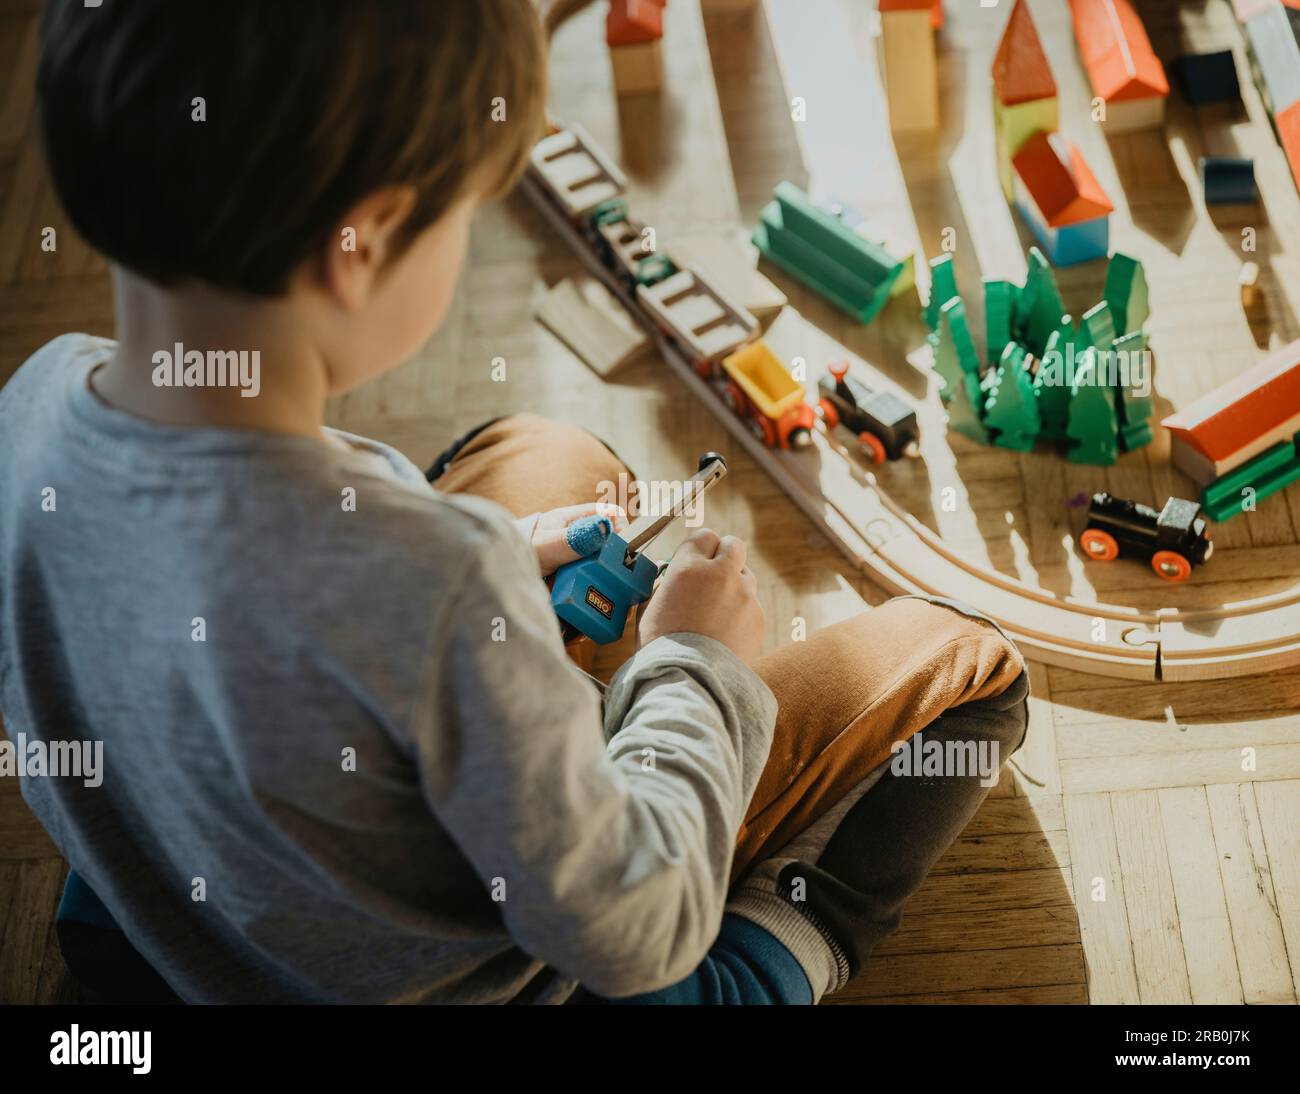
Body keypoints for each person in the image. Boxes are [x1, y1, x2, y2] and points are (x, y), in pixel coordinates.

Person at [0, 0, 1028, 1004]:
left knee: (553, 452)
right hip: (560, 964)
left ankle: (128, 929)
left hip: (187, 915)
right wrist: (696, 666)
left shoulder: (33, 403)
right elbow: (639, 922)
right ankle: (763, 963)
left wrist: (483, 550)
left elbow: (266, 580)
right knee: (975, 669)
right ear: (364, 243)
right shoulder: (440, 591)